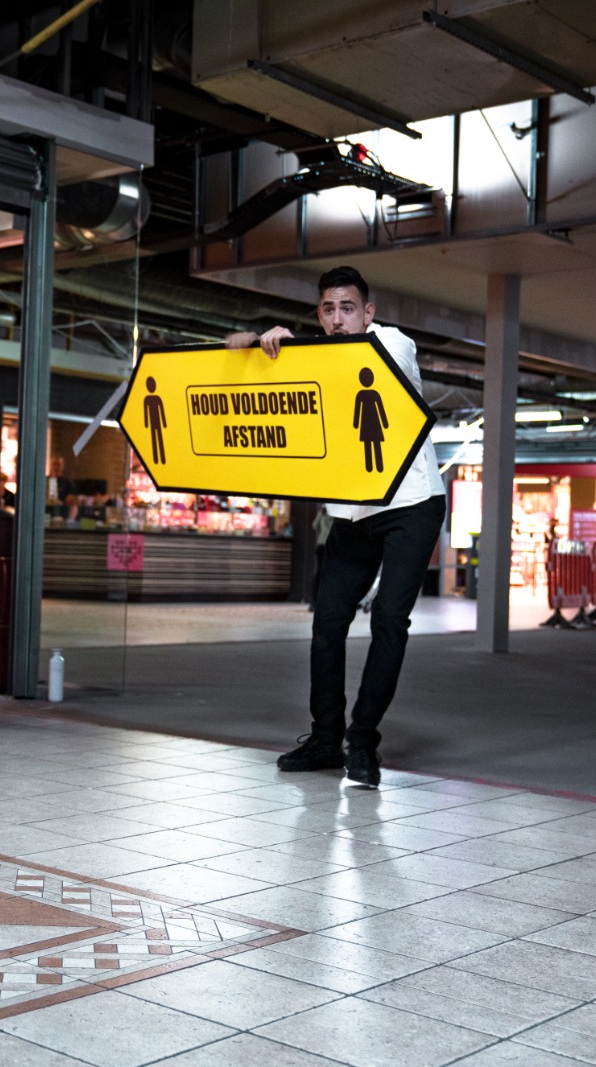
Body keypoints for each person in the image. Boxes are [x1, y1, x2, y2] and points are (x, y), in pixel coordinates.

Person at [226, 265, 445, 787]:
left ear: (367, 312)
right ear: (320, 315)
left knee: (389, 619)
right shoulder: (318, 354)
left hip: (412, 502)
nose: (338, 318)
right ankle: (326, 737)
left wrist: (295, 348)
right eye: (328, 309)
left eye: (348, 308)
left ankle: (362, 740)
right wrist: (260, 343)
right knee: (327, 623)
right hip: (353, 509)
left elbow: (353, 363)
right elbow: (259, 371)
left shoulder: (393, 344)